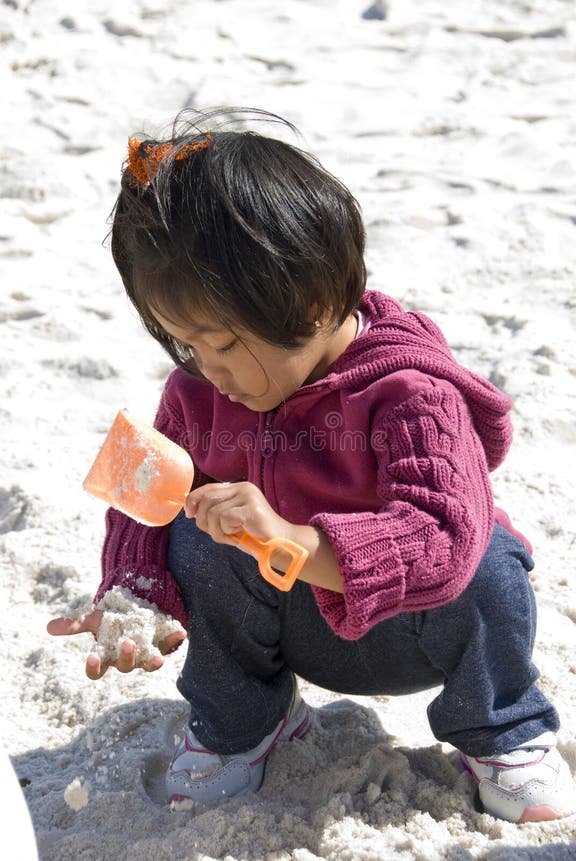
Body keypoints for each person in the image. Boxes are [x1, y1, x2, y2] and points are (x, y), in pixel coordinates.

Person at [48, 108, 576, 823]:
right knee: (200, 536)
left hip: (413, 626)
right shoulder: (199, 392)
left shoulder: (411, 392)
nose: (209, 369)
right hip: (293, 627)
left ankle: (502, 730)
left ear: (318, 301)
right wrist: (133, 588)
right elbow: (148, 496)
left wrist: (298, 543)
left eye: (226, 343)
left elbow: (444, 540)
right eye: (186, 344)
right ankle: (242, 726)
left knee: (489, 561)